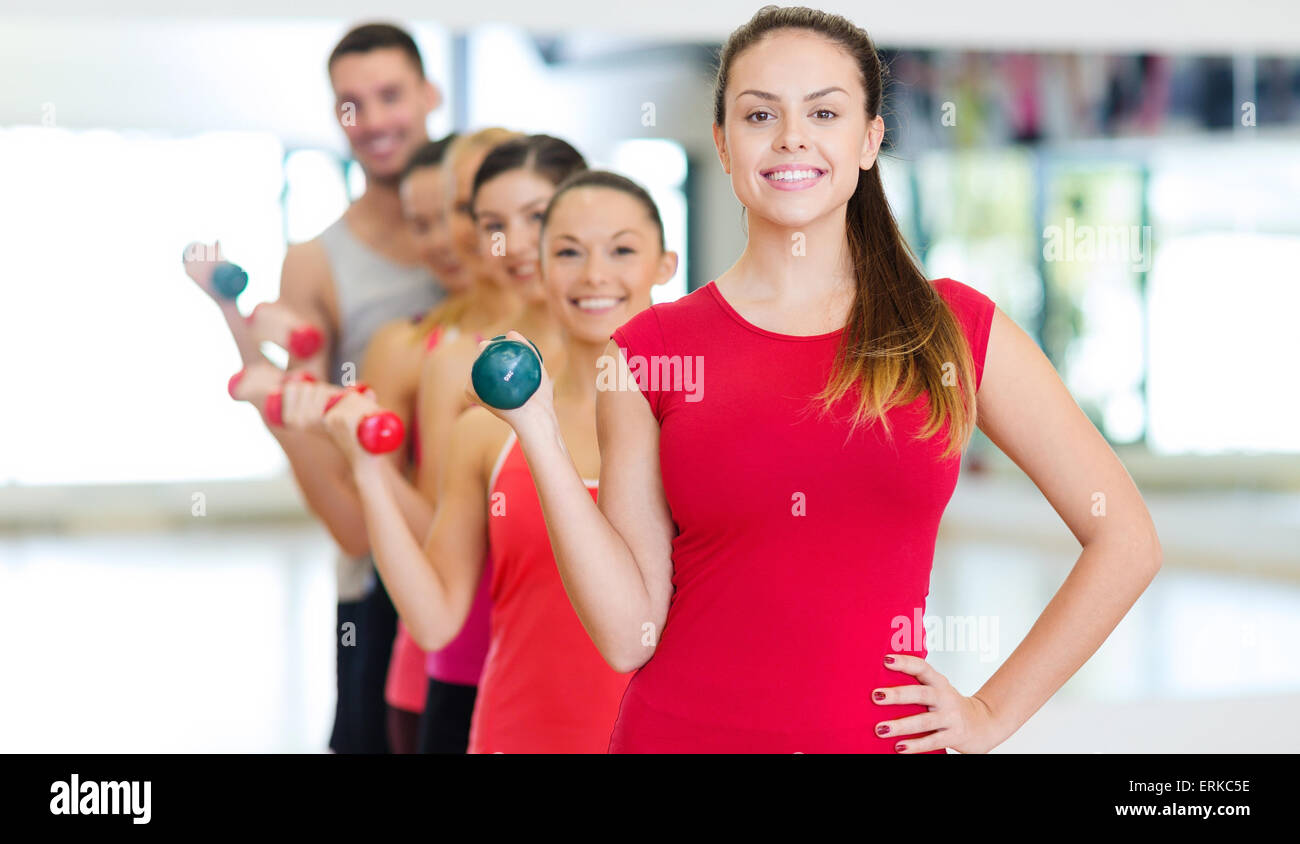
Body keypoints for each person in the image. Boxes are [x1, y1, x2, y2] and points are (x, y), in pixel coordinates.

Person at [464, 5, 1163, 753]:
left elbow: (1125, 538)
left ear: (869, 140)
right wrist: (538, 430)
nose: (791, 137)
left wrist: (991, 713)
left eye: (823, 112)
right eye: (760, 114)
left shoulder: (952, 329)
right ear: (723, 144)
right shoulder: (646, 353)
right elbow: (629, 635)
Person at [325, 147, 674, 754]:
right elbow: (435, 620)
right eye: (568, 252)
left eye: (621, 251)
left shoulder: (693, 424)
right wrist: (369, 469)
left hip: (660, 737)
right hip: (514, 734)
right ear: (541, 266)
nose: (594, 275)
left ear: (665, 265)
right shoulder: (486, 431)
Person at [185, 22, 448, 753]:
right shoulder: (315, 262)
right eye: (352, 104)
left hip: (497, 566)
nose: (374, 120)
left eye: (391, 94)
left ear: (430, 94)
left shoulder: (483, 237)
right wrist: (252, 354)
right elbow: (310, 432)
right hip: (379, 578)